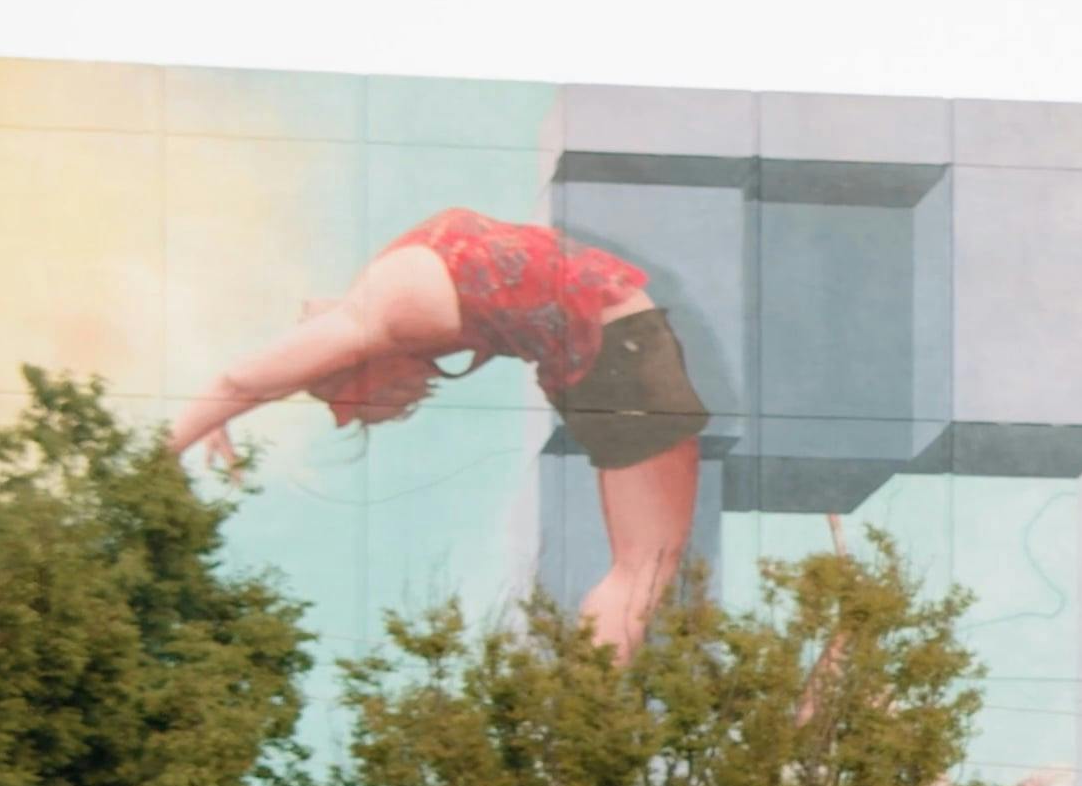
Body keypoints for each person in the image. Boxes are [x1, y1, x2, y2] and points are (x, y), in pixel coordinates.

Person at [167, 209, 703, 650]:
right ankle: (590, 726)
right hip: (615, 350)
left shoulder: (389, 309)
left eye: (369, 403)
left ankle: (588, 721)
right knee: (642, 569)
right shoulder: (391, 299)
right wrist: (223, 414)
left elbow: (242, 378)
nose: (402, 404)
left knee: (641, 569)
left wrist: (171, 446)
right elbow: (257, 378)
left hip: (613, 347)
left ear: (357, 364)